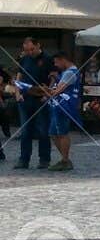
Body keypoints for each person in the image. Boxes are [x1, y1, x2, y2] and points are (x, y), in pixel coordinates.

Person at [12, 35, 52, 169]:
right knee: (25, 131)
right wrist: (17, 94)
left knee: (43, 131)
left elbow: (53, 78)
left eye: (32, 49)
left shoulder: (47, 59)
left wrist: (48, 95)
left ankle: (44, 159)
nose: (30, 52)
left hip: (41, 98)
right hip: (25, 99)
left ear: (38, 45)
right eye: (27, 50)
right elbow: (19, 77)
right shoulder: (25, 59)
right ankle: (24, 159)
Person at [43, 50, 81, 170]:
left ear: (62, 59)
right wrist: (56, 78)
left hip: (63, 106)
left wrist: (43, 90)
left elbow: (57, 91)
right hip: (58, 106)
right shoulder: (66, 73)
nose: (56, 65)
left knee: (62, 132)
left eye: (56, 62)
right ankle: (65, 159)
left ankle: (65, 160)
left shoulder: (70, 73)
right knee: (53, 133)